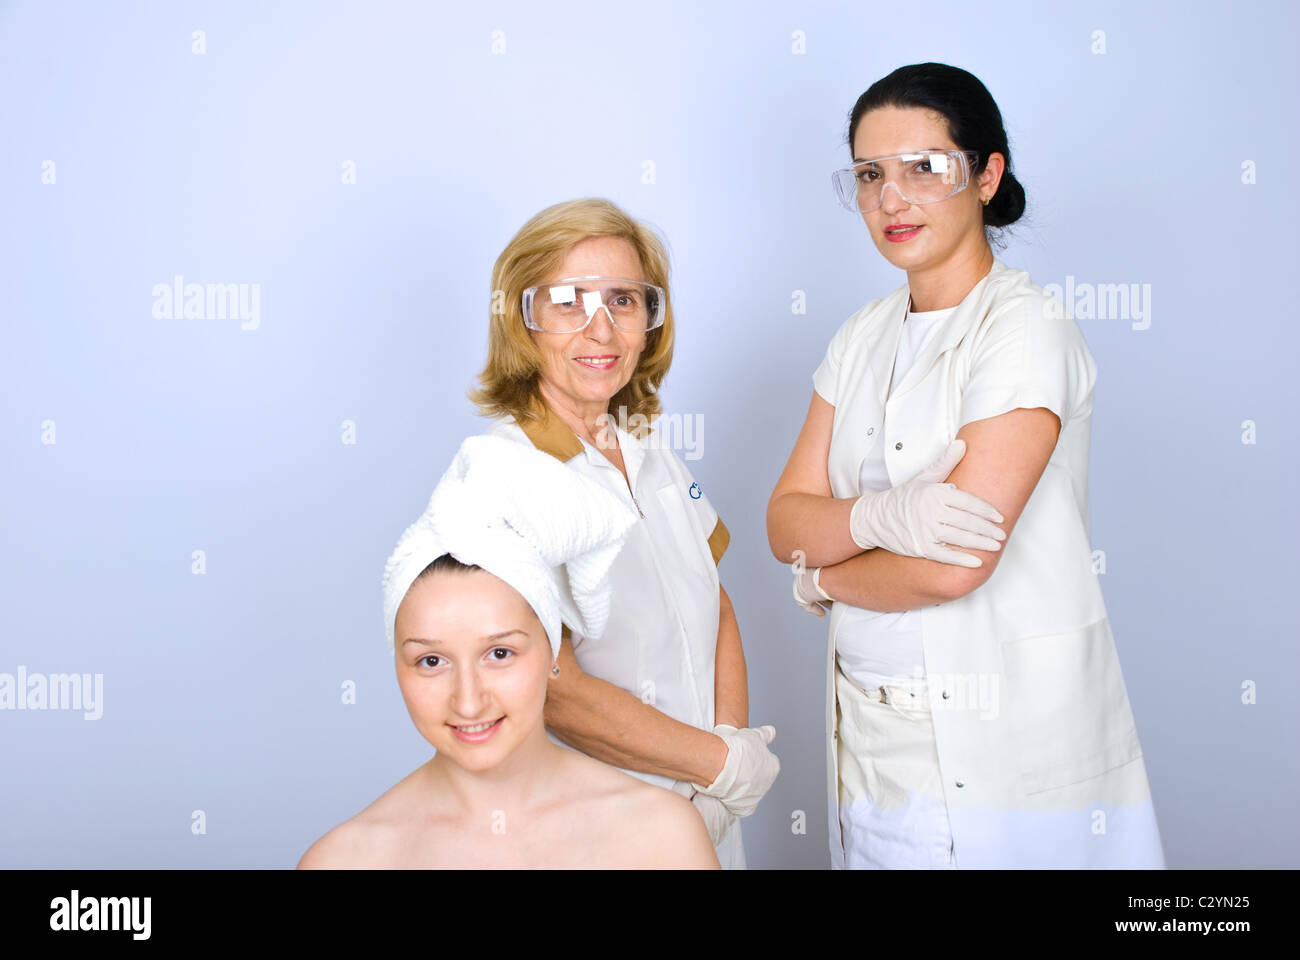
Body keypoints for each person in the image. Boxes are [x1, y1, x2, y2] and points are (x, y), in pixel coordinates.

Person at [767, 62, 1165, 869]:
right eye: (870, 174)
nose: (891, 199)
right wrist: (883, 518)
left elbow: (955, 566)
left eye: (926, 167)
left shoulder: (1024, 330)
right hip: (875, 745)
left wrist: (825, 578)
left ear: (987, 176)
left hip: (1002, 748)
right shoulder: (861, 336)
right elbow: (783, 521)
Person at [469, 197, 779, 869]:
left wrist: (726, 760)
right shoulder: (504, 478)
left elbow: (715, 600)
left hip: (706, 809)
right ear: (523, 320)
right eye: (568, 302)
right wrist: (720, 764)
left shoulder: (647, 448)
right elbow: (551, 683)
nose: (600, 329)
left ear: (650, 321)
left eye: (623, 301)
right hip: (597, 829)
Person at [298, 435, 719, 869]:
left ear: (554, 651)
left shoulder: (660, 835)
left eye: (499, 654)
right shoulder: (343, 860)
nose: (468, 700)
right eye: (431, 661)